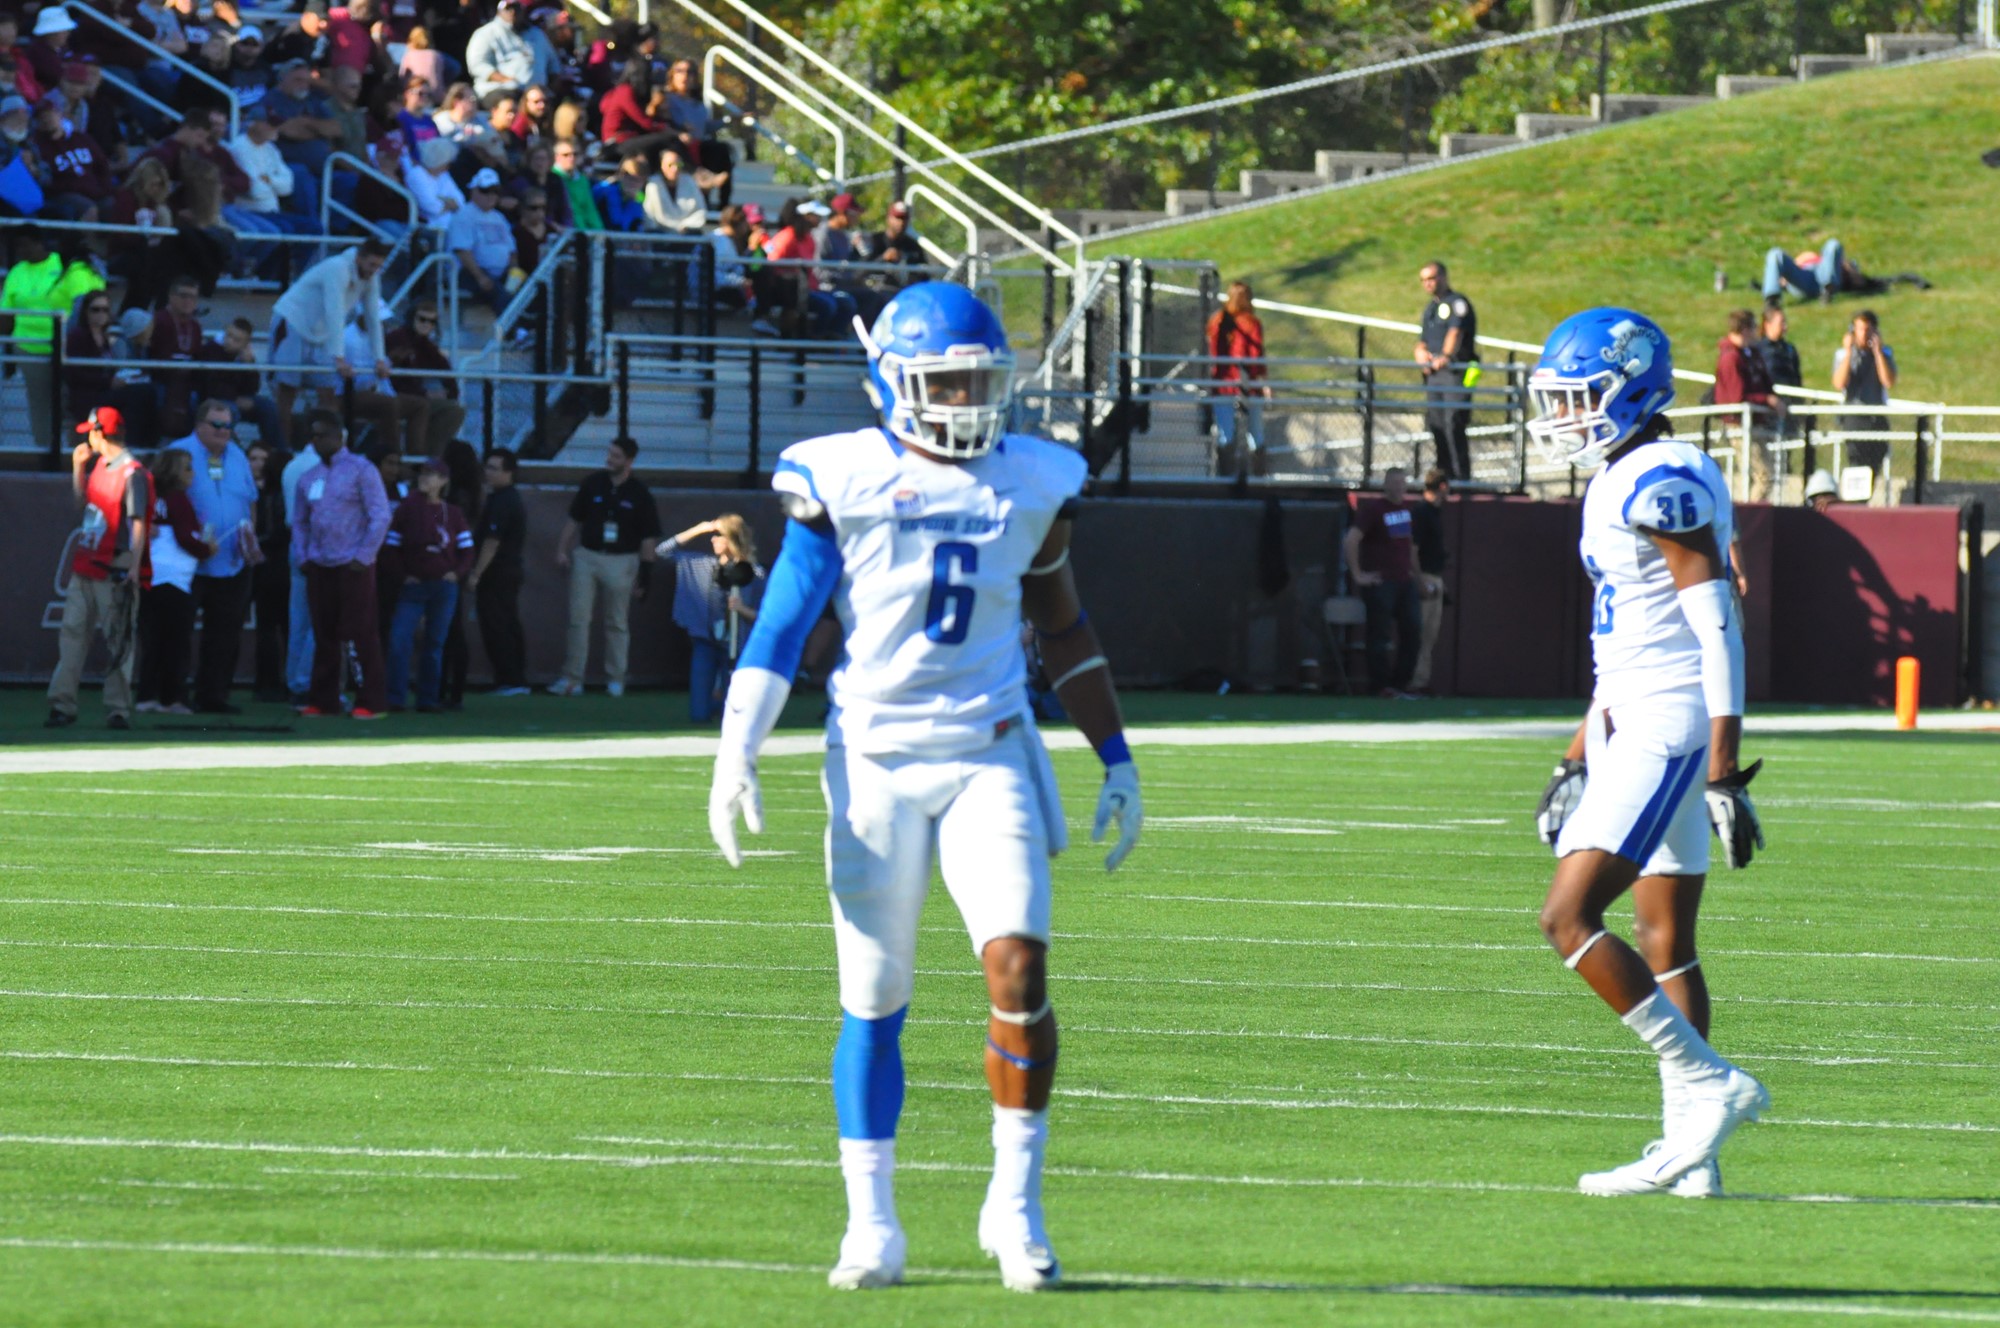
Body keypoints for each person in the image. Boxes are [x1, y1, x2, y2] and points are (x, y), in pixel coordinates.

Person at [706, 282, 1142, 1293]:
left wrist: (1114, 754)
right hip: (873, 757)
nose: (963, 400)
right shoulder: (841, 475)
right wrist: (738, 749)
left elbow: (1064, 625)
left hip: (989, 747)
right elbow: (778, 625)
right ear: (892, 383)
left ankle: (1015, 1203)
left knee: (1019, 966)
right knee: (874, 997)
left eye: (978, 381)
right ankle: (873, 1223)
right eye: (944, 380)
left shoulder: (1031, 478)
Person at [1526, 305, 1768, 1198]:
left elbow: (1717, 628)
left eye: (1580, 397)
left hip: (1671, 721)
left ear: (1632, 388)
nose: (1564, 417)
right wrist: (1577, 749)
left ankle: (1708, 1086)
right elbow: (1628, 637)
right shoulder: (1630, 471)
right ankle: (1690, 1156)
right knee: (1665, 938)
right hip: (1636, 712)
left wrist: (1724, 767)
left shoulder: (1663, 474)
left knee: (1566, 917)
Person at [47, 407, 152, 730]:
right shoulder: (102, 467)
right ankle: (62, 704)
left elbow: (138, 525)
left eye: (89, 432)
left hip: (114, 567)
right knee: (73, 635)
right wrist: (77, 469)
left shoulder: (132, 472)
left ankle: (118, 708)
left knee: (118, 640)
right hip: (87, 564)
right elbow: (85, 509)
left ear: (99, 433)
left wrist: (134, 568)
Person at [290, 409, 391, 718]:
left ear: (340, 436)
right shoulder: (308, 478)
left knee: (359, 632)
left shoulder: (362, 470)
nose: (317, 441)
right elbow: (299, 521)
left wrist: (364, 556)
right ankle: (324, 700)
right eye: (313, 436)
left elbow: (380, 514)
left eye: (323, 434)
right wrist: (304, 555)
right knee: (324, 634)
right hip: (320, 564)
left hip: (352, 563)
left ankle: (370, 701)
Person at [549, 436, 660, 696]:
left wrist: (645, 576)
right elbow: (574, 520)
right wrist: (562, 550)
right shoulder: (593, 484)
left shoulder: (640, 493)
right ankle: (572, 679)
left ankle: (616, 679)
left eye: (616, 456)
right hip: (588, 555)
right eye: (609, 454)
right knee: (578, 618)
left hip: (622, 560)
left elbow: (648, 538)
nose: (610, 460)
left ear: (629, 461)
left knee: (617, 621)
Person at [169, 398, 259, 714]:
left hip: (232, 561)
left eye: (228, 426)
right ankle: (173, 696)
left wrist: (251, 536)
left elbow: (250, 501)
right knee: (176, 631)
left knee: (225, 634)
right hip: (188, 560)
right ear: (199, 425)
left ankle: (213, 695)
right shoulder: (179, 453)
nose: (223, 432)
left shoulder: (238, 456)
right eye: (216, 425)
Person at [270, 238, 393, 441]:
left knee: (328, 392)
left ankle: (327, 448)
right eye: (372, 264)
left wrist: (380, 358)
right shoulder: (337, 268)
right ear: (359, 258)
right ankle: (282, 446)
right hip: (293, 321)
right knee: (287, 390)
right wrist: (338, 357)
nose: (374, 270)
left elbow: (373, 317)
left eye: (379, 266)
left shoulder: (372, 276)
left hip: (322, 332)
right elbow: (334, 311)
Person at [1, 223, 105, 451]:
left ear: (40, 243)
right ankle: (43, 450)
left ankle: (74, 450)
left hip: (66, 347)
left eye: (25, 245)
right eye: (18, 246)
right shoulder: (17, 271)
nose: (21, 251)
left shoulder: (65, 265)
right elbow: (5, 313)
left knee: (70, 401)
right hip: (28, 347)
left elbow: (88, 299)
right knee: (39, 402)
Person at [382, 457, 474, 712]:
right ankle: (395, 697)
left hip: (442, 587)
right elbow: (391, 548)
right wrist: (403, 575)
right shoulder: (407, 509)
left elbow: (467, 549)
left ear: (443, 481)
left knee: (434, 643)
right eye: (422, 473)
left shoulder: (453, 513)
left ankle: (428, 698)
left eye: (431, 474)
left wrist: (457, 573)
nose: (425, 478)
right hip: (414, 587)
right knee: (400, 640)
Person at [660, 515, 764, 722]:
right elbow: (663, 551)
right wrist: (698, 529)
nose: (713, 540)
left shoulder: (753, 573)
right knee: (699, 714)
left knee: (735, 709)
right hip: (705, 641)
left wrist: (742, 609)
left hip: (737, 643)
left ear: (732, 539)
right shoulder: (702, 564)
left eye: (719, 536)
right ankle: (712, 706)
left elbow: (764, 617)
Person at [134, 447, 214, 715]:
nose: (192, 474)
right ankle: (173, 698)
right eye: (188, 468)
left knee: (153, 640)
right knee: (176, 642)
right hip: (173, 579)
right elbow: (185, 537)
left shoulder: (153, 498)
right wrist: (207, 549)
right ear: (175, 472)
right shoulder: (178, 500)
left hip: (153, 576)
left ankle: (147, 695)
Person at [1344, 466, 1421, 698]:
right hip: (1381, 583)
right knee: (1379, 635)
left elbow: (1410, 547)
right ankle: (1380, 686)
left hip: (1404, 582)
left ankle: (1400, 684)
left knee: (1413, 631)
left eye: (1402, 482)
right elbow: (1351, 540)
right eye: (1394, 482)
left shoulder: (1407, 510)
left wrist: (1417, 577)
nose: (1399, 487)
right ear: (1386, 484)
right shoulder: (1374, 509)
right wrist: (1358, 574)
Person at [467, 446, 528, 696]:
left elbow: (492, 541)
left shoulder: (505, 501)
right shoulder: (501, 498)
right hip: (505, 572)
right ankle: (513, 678)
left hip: (498, 573)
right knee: (506, 622)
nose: (487, 472)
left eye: (494, 468)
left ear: (509, 472)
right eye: (487, 467)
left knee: (498, 625)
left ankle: (510, 679)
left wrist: (476, 573)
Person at [1711, 309, 1784, 502]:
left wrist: (1771, 397)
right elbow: (1737, 398)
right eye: (1753, 327)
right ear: (1743, 329)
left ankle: (1750, 514)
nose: (1756, 331)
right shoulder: (1730, 359)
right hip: (1739, 426)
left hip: (1755, 425)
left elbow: (1766, 384)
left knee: (1759, 476)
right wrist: (1766, 400)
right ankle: (1751, 521)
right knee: (1765, 476)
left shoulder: (1751, 354)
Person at [1416, 260, 1478, 479]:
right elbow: (1422, 340)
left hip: (1454, 374)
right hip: (1433, 376)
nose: (1428, 284)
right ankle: (1443, 475)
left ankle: (1461, 478)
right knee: (1436, 424)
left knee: (1454, 424)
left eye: (1432, 278)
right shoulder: (1431, 309)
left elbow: (1455, 332)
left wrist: (1445, 356)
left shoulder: (1457, 303)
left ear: (1443, 277)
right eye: (1424, 280)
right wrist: (1420, 353)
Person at [382, 300, 468, 453]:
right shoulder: (397, 340)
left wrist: (451, 392)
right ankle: (420, 457)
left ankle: (428, 456)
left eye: (432, 321)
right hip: (391, 396)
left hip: (415, 397)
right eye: (422, 319)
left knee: (454, 409)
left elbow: (443, 366)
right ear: (411, 319)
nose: (426, 324)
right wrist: (426, 394)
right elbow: (394, 380)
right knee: (452, 411)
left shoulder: (424, 343)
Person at [1204, 280, 1268, 478]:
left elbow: (1212, 351)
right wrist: (1263, 381)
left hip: (1222, 383)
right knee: (1255, 433)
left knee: (1226, 433)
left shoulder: (1215, 321)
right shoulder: (1252, 323)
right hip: (1248, 383)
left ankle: (1224, 476)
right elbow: (1255, 355)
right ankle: (1258, 477)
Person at [245, 438, 292, 701]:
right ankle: (283, 681)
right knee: (285, 626)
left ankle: (265, 682)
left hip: (265, 566)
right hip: (282, 565)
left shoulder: (263, 496)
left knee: (267, 626)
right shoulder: (283, 496)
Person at [1832, 310, 1898, 476]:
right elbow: (1839, 382)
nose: (1863, 334)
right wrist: (1849, 352)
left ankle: (1865, 500)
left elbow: (1888, 381)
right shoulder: (1842, 354)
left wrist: (1877, 353)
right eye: (1859, 329)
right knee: (1857, 465)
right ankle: (1856, 501)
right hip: (1854, 416)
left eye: (1868, 330)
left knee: (1874, 466)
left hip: (1876, 417)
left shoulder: (1885, 354)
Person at [448, 166, 517, 311]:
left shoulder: (499, 217)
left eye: (495, 191)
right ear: (473, 191)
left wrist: (513, 274)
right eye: (485, 191)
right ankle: (513, 331)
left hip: (501, 274)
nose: (491, 196)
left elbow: (512, 251)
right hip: (471, 273)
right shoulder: (464, 215)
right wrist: (480, 277)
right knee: (502, 296)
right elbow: (462, 251)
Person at [1407, 467, 1449, 695]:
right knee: (1421, 632)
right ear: (1443, 487)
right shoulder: (1421, 512)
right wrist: (1419, 579)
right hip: (1425, 577)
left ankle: (1422, 680)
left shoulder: (1434, 512)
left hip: (1435, 576)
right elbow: (1412, 549)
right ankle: (1414, 680)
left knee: (1430, 635)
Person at [465, 0, 533, 99]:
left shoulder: (536, 33)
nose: (513, 12)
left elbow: (553, 64)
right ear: (499, 11)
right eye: (508, 9)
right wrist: (505, 79)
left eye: (516, 8)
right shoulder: (486, 33)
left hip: (534, 93)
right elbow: (477, 66)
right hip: (499, 90)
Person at [641, 145, 704, 234]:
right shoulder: (653, 184)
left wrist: (685, 227)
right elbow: (649, 212)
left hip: (687, 233)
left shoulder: (689, 182)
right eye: (670, 165)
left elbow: (699, 209)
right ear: (662, 165)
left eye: (679, 165)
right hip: (660, 234)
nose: (675, 169)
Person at [550, 136, 601, 229]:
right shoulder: (550, 178)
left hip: (583, 234)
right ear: (556, 157)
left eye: (575, 154)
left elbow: (590, 210)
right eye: (566, 155)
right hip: (562, 234)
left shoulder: (583, 180)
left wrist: (600, 233)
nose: (571, 158)